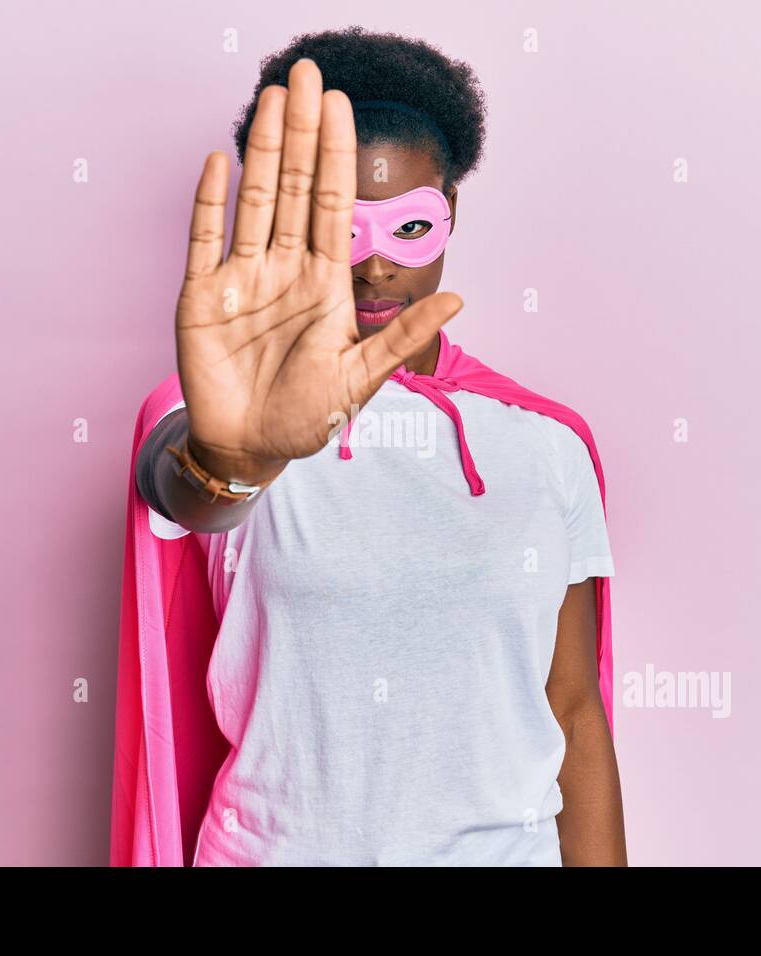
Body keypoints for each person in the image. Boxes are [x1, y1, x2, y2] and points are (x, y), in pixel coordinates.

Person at [132, 26, 626, 866]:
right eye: (340, 232)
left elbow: (574, 707)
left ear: (451, 212)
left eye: (406, 228)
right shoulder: (226, 415)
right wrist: (235, 461)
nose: (373, 270)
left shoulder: (546, 443)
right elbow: (182, 488)